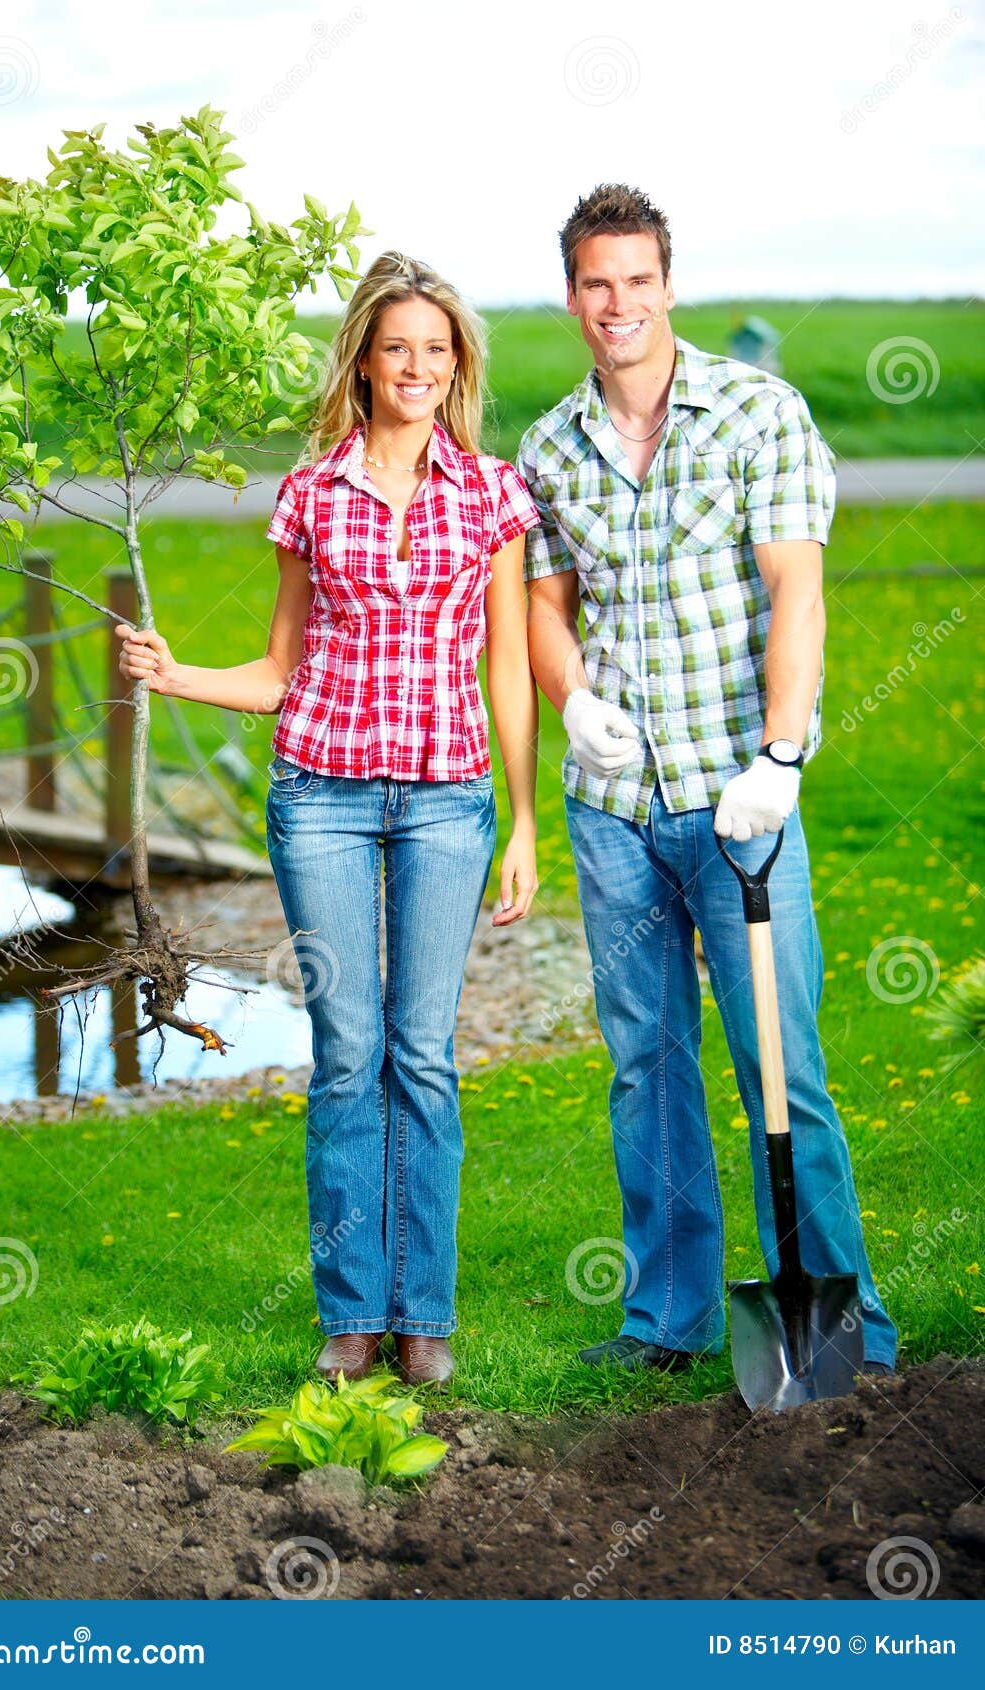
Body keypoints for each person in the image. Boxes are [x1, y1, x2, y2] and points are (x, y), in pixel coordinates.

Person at [117, 251, 541, 1388]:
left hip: (451, 797)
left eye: (435, 350)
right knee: (348, 1054)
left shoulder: (492, 492)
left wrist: (524, 821)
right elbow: (276, 669)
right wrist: (172, 673)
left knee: (426, 1056)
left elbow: (509, 667)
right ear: (362, 358)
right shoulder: (312, 491)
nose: (416, 366)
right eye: (395, 346)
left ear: (457, 366)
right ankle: (352, 1313)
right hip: (323, 799)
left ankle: (426, 1316)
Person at [517, 184, 898, 1376]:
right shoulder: (546, 447)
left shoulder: (756, 415)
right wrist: (569, 700)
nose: (615, 303)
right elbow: (542, 606)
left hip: (740, 803)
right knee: (644, 1064)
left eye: (635, 279)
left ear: (666, 284)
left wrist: (780, 758)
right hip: (615, 815)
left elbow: (798, 592)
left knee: (778, 1059)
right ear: (570, 294)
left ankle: (847, 1326)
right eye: (594, 282)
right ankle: (665, 1322)